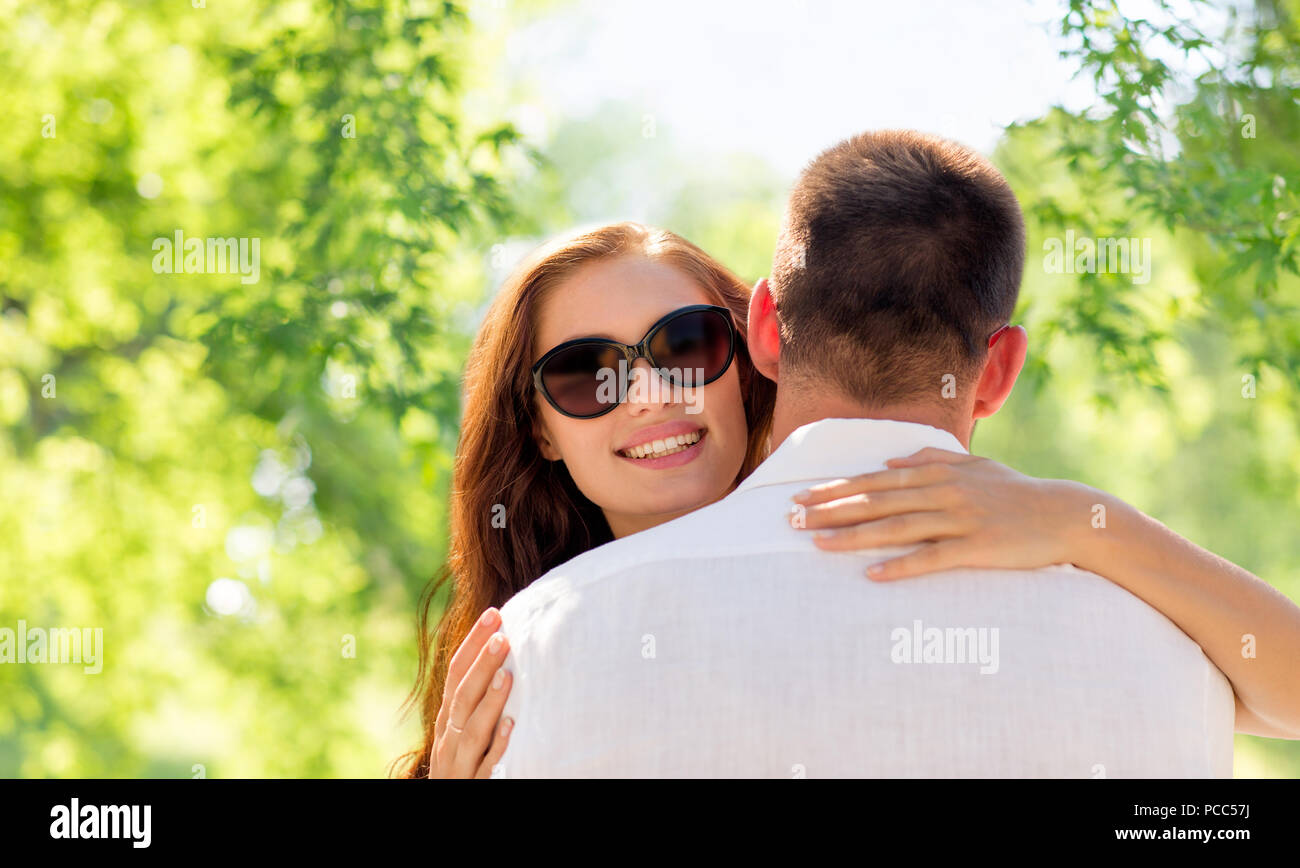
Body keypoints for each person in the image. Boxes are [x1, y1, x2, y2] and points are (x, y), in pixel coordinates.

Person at [397, 131, 1300, 779]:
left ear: (755, 336)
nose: (651, 395)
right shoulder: (1173, 648)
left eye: (681, 348)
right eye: (587, 373)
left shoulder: (543, 653)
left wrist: (1083, 520)